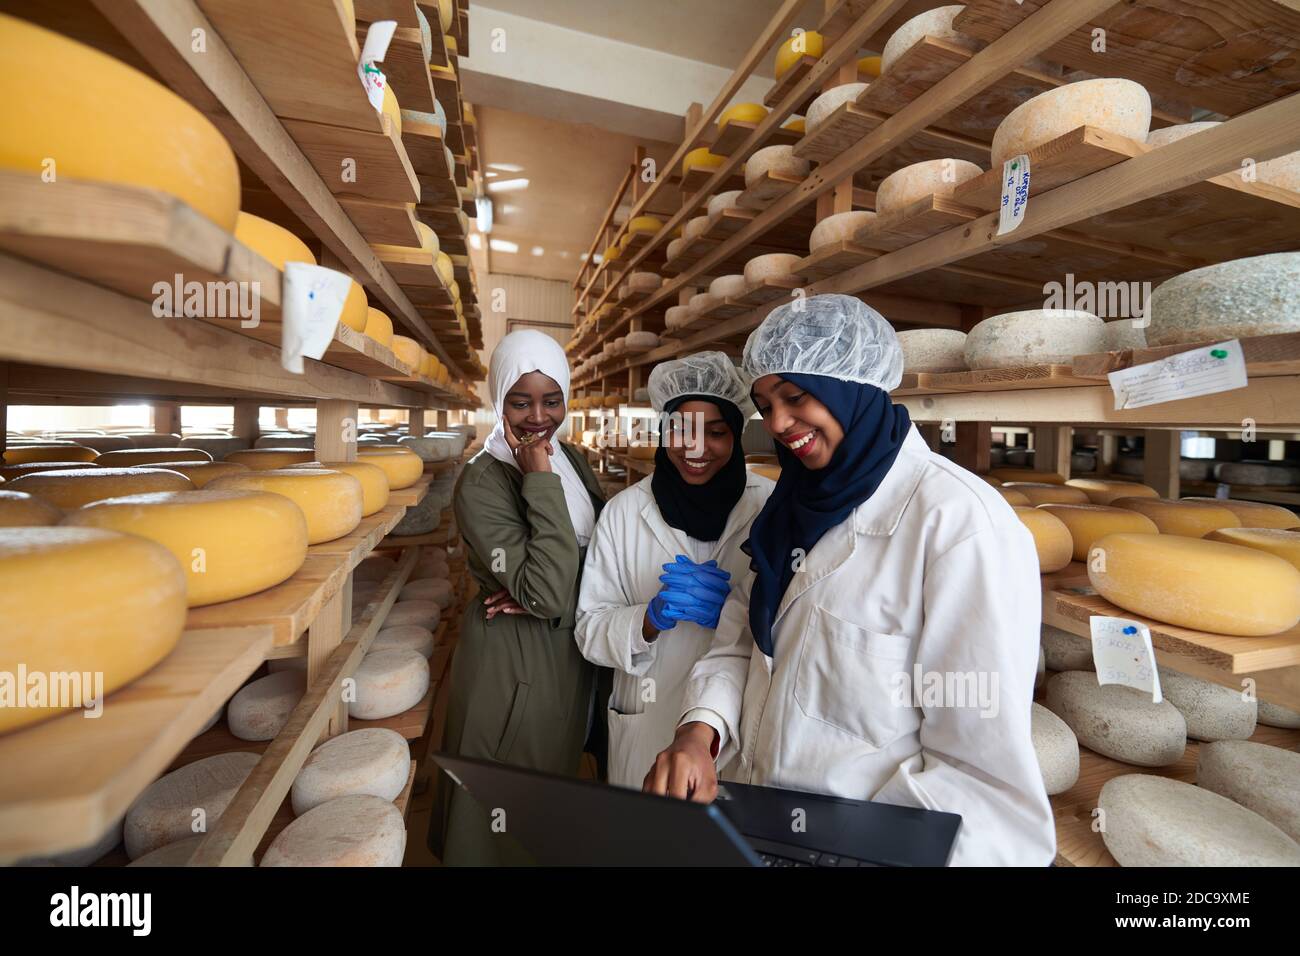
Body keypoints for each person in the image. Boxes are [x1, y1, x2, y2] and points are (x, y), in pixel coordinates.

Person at [644, 295, 1056, 866]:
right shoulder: (791, 506)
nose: (779, 424)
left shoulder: (959, 526)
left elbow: (981, 783)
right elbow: (743, 642)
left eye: (795, 396)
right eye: (765, 404)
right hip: (759, 827)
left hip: (866, 851)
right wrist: (701, 729)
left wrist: (852, 853)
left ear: (851, 388)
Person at [430, 329, 606, 866]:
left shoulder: (571, 460)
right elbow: (547, 592)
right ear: (498, 399)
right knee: (497, 819)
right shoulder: (483, 482)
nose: (537, 417)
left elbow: (589, 557)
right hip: (515, 667)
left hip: (567, 653)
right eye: (520, 401)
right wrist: (537, 477)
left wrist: (550, 587)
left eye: (551, 400)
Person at [575, 352, 774, 787]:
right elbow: (588, 630)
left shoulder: (769, 506)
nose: (696, 448)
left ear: (737, 434)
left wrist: (744, 609)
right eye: (682, 430)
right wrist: (648, 618)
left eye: (716, 433)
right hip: (647, 717)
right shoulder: (624, 512)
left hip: (734, 724)